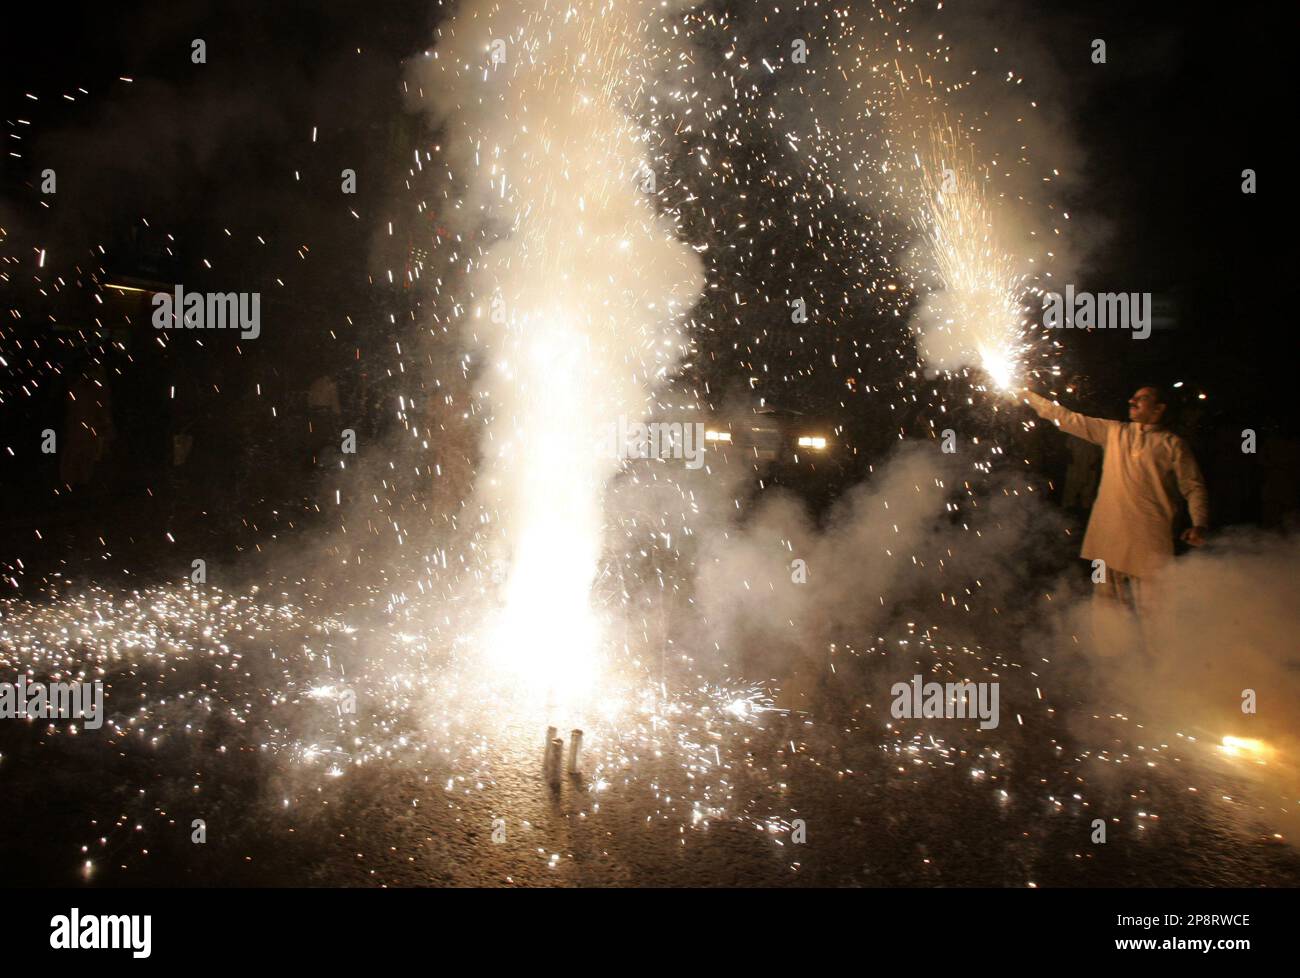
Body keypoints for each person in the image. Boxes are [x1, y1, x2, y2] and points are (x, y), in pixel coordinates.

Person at [1011, 385, 1210, 628]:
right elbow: (1067, 419)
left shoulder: (1172, 445)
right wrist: (1027, 395)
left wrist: (1199, 523)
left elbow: (1194, 486)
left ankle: (1162, 663)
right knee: (1107, 614)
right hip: (1109, 539)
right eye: (1133, 396)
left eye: (1142, 398)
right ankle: (1110, 662)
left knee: (1156, 617)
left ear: (1159, 409)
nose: (1132, 400)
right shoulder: (1115, 432)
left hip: (1149, 542)